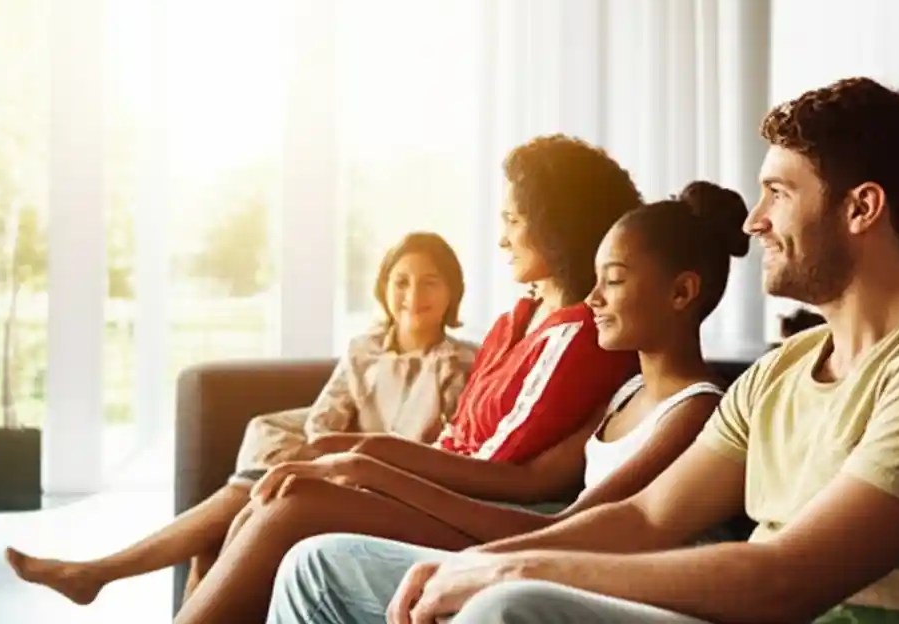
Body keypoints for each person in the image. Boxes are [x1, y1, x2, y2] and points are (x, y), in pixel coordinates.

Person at [272, 76, 899, 624]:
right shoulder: (776, 375)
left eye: (778, 193)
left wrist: (511, 576)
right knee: (324, 564)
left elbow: (787, 580)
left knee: (510, 611)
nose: (753, 221)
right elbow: (648, 518)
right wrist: (480, 563)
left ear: (862, 208)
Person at [168, 135, 649, 623]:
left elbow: (507, 470)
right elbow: (456, 436)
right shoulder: (516, 320)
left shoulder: (582, 334)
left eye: (514, 221)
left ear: (556, 226)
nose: (502, 238)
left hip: (479, 514)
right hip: (450, 494)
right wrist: (368, 463)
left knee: (292, 503)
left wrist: (370, 461)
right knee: (262, 502)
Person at [263, 179, 753, 624]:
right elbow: (537, 486)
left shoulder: (694, 412)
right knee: (311, 560)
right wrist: (368, 459)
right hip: (551, 551)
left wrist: (375, 473)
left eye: (615, 279)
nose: (593, 297)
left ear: (682, 292)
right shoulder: (626, 394)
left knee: (318, 568)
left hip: (607, 589)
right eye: (595, 279)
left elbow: (571, 527)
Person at [3, 231, 479, 604]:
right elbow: (322, 421)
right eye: (401, 280)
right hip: (333, 469)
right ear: (383, 288)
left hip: (385, 487)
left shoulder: (459, 363)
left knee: (224, 528)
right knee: (221, 531)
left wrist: (356, 465)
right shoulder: (364, 350)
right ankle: (94, 575)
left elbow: (442, 449)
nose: (413, 294)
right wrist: (333, 457)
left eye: (429, 281)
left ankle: (96, 573)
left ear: (452, 291)